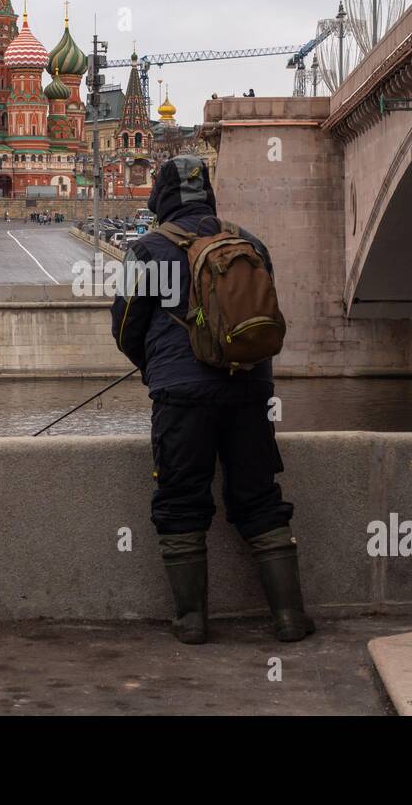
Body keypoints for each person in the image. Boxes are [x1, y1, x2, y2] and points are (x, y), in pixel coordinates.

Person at [110, 155, 312, 646]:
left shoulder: (148, 250)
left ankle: (192, 622)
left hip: (182, 397)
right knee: (260, 498)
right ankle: (288, 619)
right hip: (249, 389)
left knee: (180, 499)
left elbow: (125, 326)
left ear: (160, 196)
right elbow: (262, 316)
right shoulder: (249, 243)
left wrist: (156, 367)